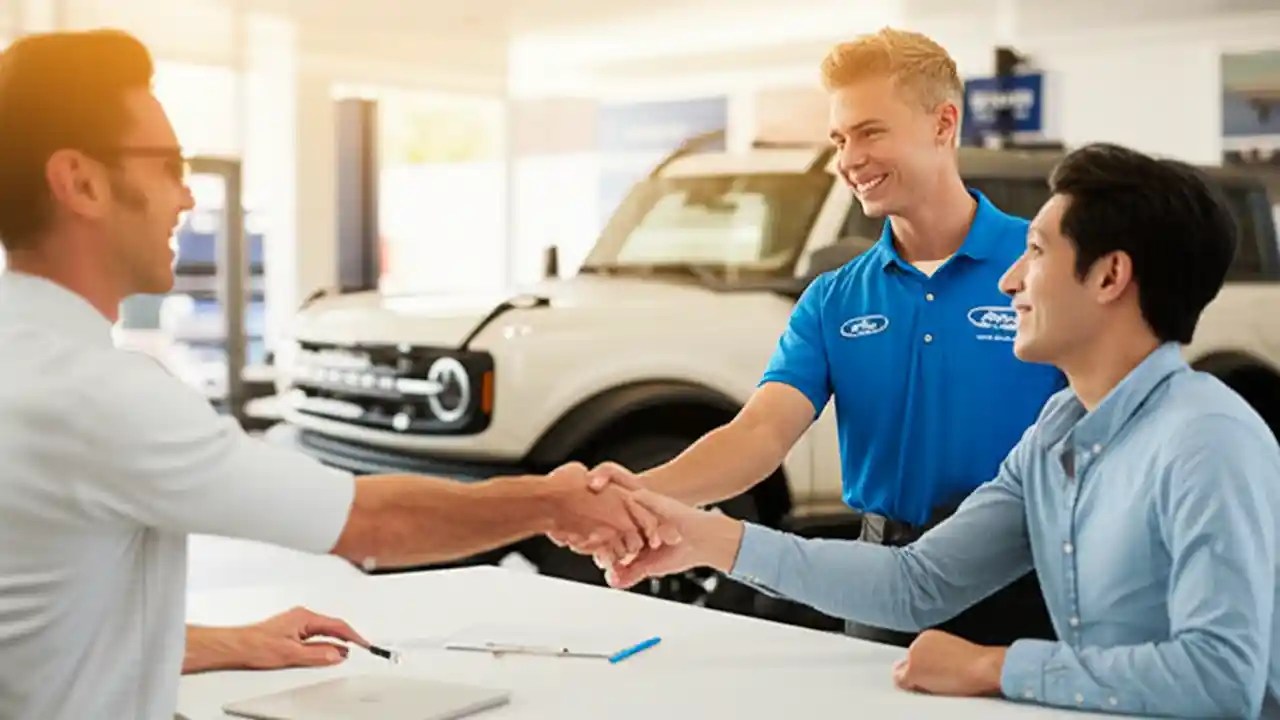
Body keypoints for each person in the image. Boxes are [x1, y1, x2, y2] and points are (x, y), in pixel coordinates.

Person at [0, 30, 671, 720]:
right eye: (169, 165)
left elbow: (39, 618)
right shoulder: (96, 393)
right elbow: (373, 523)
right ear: (80, 182)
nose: (183, 198)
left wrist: (229, 642)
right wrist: (550, 501)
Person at [600, 143, 1280, 719]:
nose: (1011, 279)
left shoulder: (1207, 441)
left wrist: (993, 666)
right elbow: (915, 583)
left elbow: (1221, 681)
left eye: (1036, 252)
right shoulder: (1056, 435)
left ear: (1109, 276)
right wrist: (701, 537)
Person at [576, 27, 1063, 646]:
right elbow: (758, 434)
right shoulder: (835, 299)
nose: (848, 159)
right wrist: (635, 493)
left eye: (870, 131)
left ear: (943, 124)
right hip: (878, 582)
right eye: (839, 138)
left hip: (1027, 580)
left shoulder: (1043, 267)